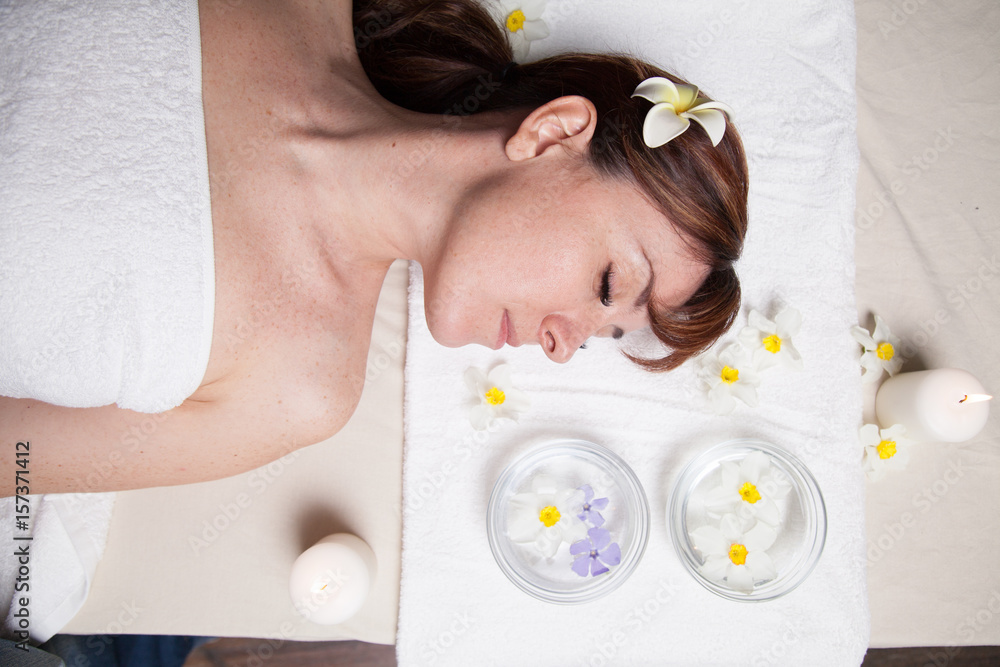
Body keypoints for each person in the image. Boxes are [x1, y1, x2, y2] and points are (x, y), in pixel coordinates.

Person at [0, 0, 746, 495]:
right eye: (609, 285)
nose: (561, 345)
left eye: (599, 339)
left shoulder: (302, 389)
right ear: (551, 133)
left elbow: (14, 460)